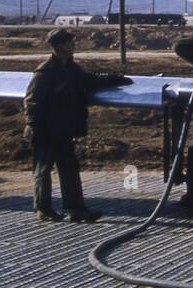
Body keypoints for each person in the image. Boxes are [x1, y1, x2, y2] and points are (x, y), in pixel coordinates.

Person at [24, 29, 132, 223]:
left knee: (69, 168)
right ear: (58, 47)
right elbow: (32, 101)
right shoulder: (45, 72)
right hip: (44, 129)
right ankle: (43, 209)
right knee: (42, 170)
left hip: (63, 129)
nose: (73, 45)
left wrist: (116, 78)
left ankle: (76, 209)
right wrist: (33, 125)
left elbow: (91, 81)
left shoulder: (71, 69)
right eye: (69, 43)